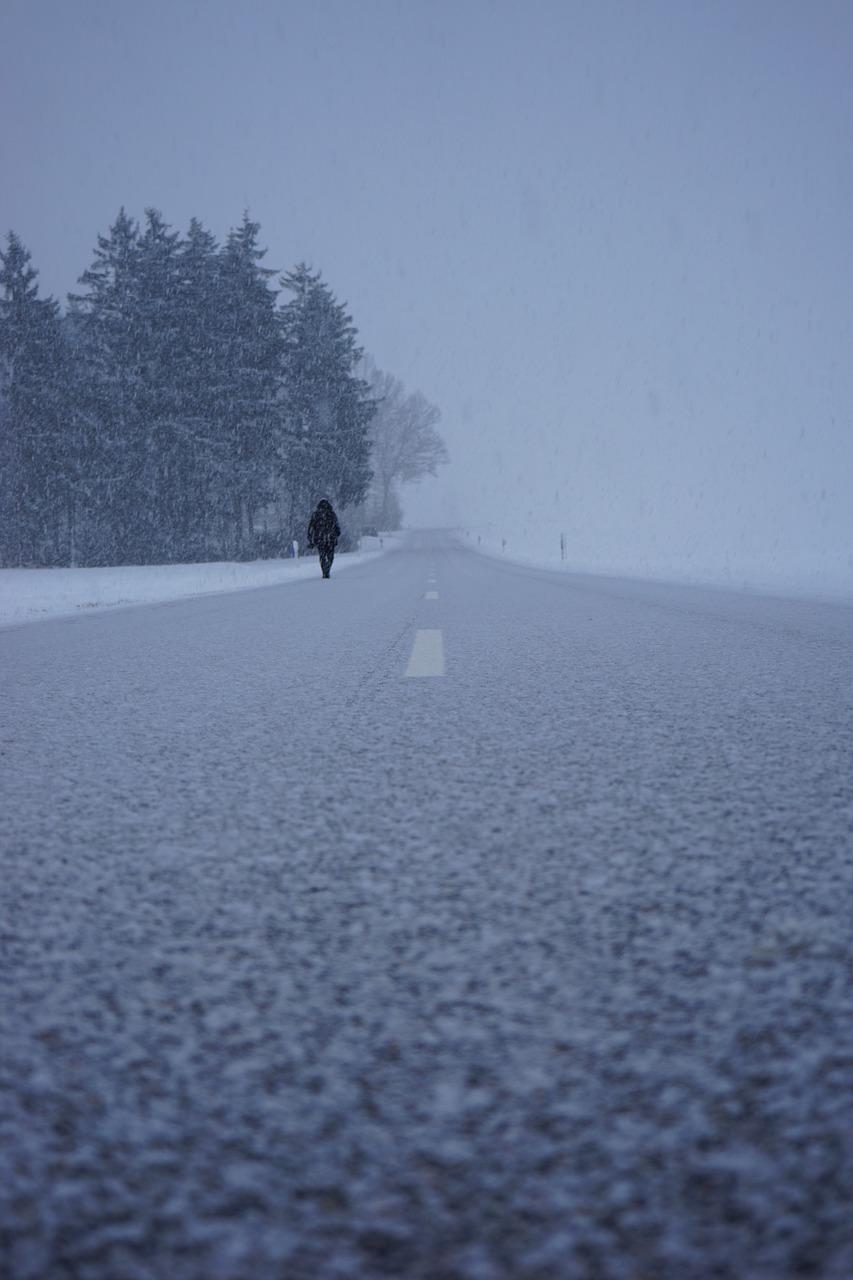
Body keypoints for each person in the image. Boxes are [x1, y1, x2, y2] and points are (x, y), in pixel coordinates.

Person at [307, 498, 341, 579]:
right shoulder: (332, 514)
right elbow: (337, 527)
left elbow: (311, 528)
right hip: (331, 539)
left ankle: (324, 570)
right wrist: (336, 533)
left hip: (320, 539)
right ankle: (327, 569)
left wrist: (310, 538)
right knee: (330, 555)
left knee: (322, 555)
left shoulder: (316, 514)